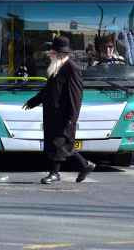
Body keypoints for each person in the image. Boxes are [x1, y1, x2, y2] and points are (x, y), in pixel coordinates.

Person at [23, 35, 96, 185]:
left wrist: (72, 118)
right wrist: (34, 101)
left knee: (60, 144)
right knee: (59, 145)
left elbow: (75, 96)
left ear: (60, 54)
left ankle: (55, 173)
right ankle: (85, 165)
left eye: (53, 52)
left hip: (63, 116)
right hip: (53, 115)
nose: (50, 54)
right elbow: (48, 91)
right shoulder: (56, 67)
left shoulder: (71, 68)